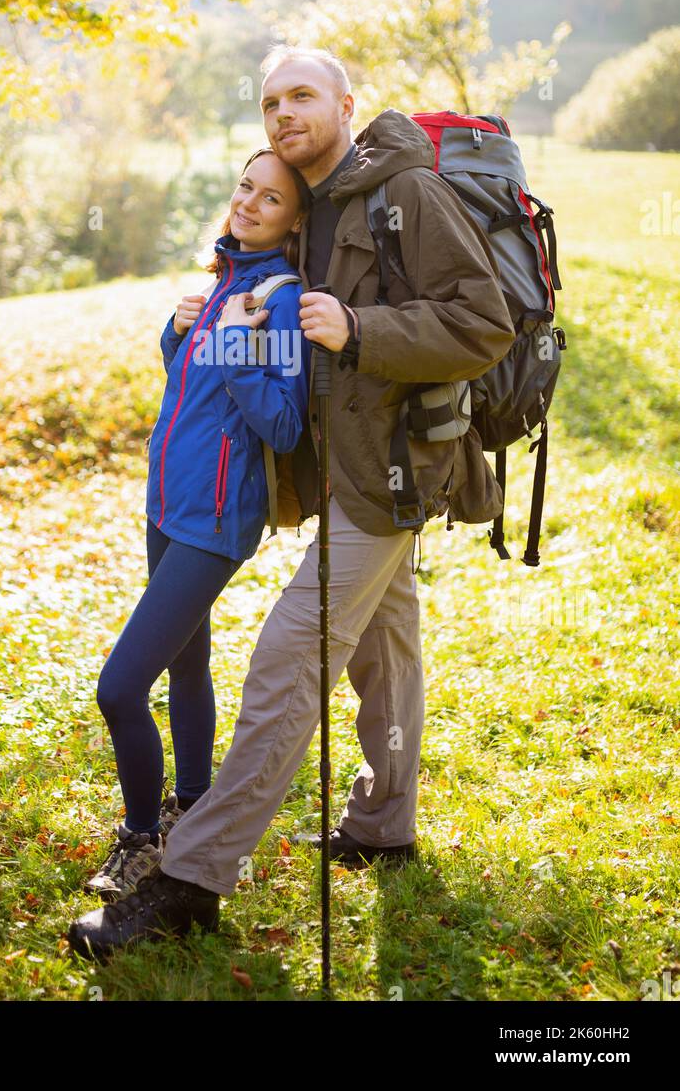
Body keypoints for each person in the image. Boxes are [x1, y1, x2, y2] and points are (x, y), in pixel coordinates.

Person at [68, 47, 516, 957]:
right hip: (351, 471)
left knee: (286, 661)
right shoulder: (316, 208)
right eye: (270, 100)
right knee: (385, 649)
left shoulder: (409, 195)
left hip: (392, 473)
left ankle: (190, 878)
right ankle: (385, 824)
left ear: (347, 103)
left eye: (302, 95)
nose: (284, 112)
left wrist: (360, 330)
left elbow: (483, 322)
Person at [83, 146, 312, 902]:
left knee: (119, 690)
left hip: (214, 522)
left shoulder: (276, 298)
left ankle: (143, 838)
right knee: (187, 665)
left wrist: (242, 347)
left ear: (296, 218)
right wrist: (176, 334)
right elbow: (192, 391)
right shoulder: (224, 280)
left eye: (270, 198)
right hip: (166, 506)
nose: (249, 202)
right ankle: (191, 807)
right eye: (246, 187)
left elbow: (281, 425)